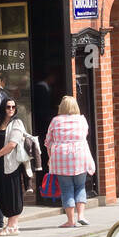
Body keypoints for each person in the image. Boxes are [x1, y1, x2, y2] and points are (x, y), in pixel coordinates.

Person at [44, 95, 95, 229]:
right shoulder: (82, 120)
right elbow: (85, 135)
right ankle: (81, 216)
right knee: (80, 186)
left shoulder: (56, 121)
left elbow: (48, 141)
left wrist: (51, 157)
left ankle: (71, 220)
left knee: (67, 189)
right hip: (80, 155)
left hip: (61, 156)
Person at [0, 98, 28, 235]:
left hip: (11, 163)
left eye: (13, 107)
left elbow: (12, 144)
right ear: (2, 108)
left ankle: (13, 225)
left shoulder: (17, 123)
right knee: (1, 193)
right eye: (8, 107)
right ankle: (9, 225)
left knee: (12, 193)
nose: (11, 109)